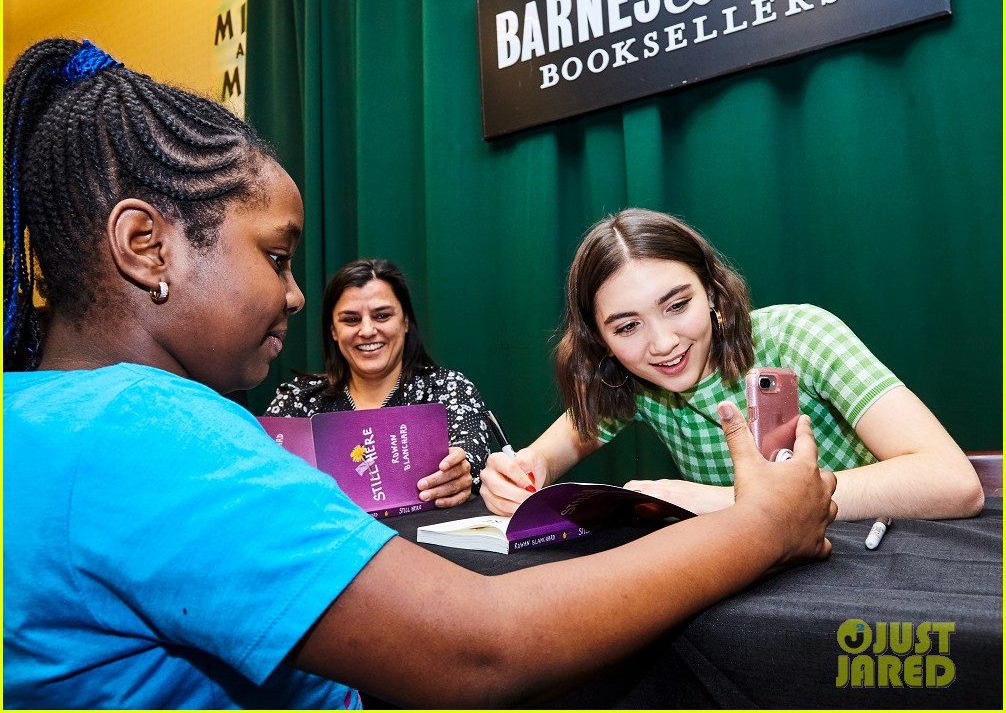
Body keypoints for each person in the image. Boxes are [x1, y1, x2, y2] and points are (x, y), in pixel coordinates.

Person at [3, 38, 836, 709]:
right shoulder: (144, 431)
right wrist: (763, 527)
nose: (295, 292)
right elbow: (480, 647)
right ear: (146, 245)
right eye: (278, 256)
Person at [480, 208, 985, 522]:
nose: (662, 344)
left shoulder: (799, 335)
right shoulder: (630, 380)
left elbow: (952, 482)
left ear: (714, 294)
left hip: (884, 557)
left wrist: (724, 500)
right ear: (602, 341)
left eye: (677, 305)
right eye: (627, 326)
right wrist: (522, 472)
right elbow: (545, 457)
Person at [266, 258, 490, 506]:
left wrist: (460, 472)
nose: (367, 330)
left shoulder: (449, 389)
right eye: (351, 320)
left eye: (382, 316)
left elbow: (471, 459)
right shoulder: (298, 399)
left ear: (405, 321)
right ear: (333, 330)